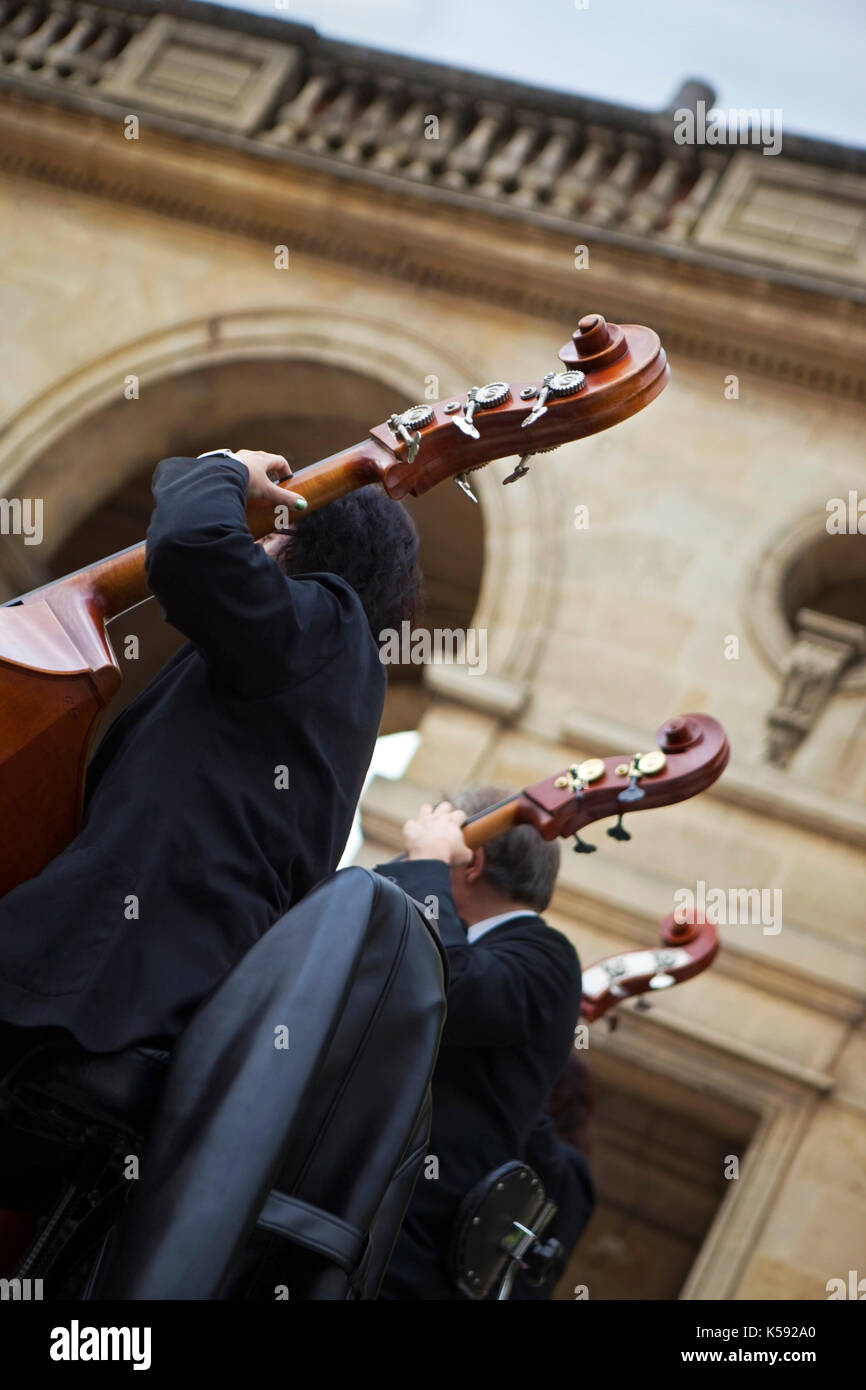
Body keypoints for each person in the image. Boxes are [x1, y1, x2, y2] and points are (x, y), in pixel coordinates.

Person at [0, 446, 421, 1063]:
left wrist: (224, 467)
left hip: (85, 1002)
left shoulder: (329, 628)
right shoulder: (315, 664)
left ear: (308, 539)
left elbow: (192, 545)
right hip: (102, 1005)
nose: (250, 544)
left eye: (263, 531)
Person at [375, 789, 583, 1300]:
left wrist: (426, 866)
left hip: (406, 1247)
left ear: (472, 862)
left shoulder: (546, 954)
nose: (409, 864)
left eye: (426, 853)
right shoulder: (490, 946)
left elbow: (448, 988)